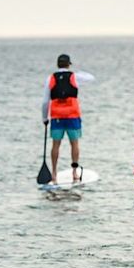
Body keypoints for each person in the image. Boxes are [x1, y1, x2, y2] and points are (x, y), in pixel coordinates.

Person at [41, 54, 96, 183]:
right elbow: (91, 78)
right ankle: (74, 172)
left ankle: (54, 173)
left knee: (56, 145)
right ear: (68, 64)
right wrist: (76, 72)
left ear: (57, 64)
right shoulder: (74, 77)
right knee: (74, 144)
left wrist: (44, 118)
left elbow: (45, 102)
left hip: (56, 117)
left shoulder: (50, 78)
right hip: (72, 116)